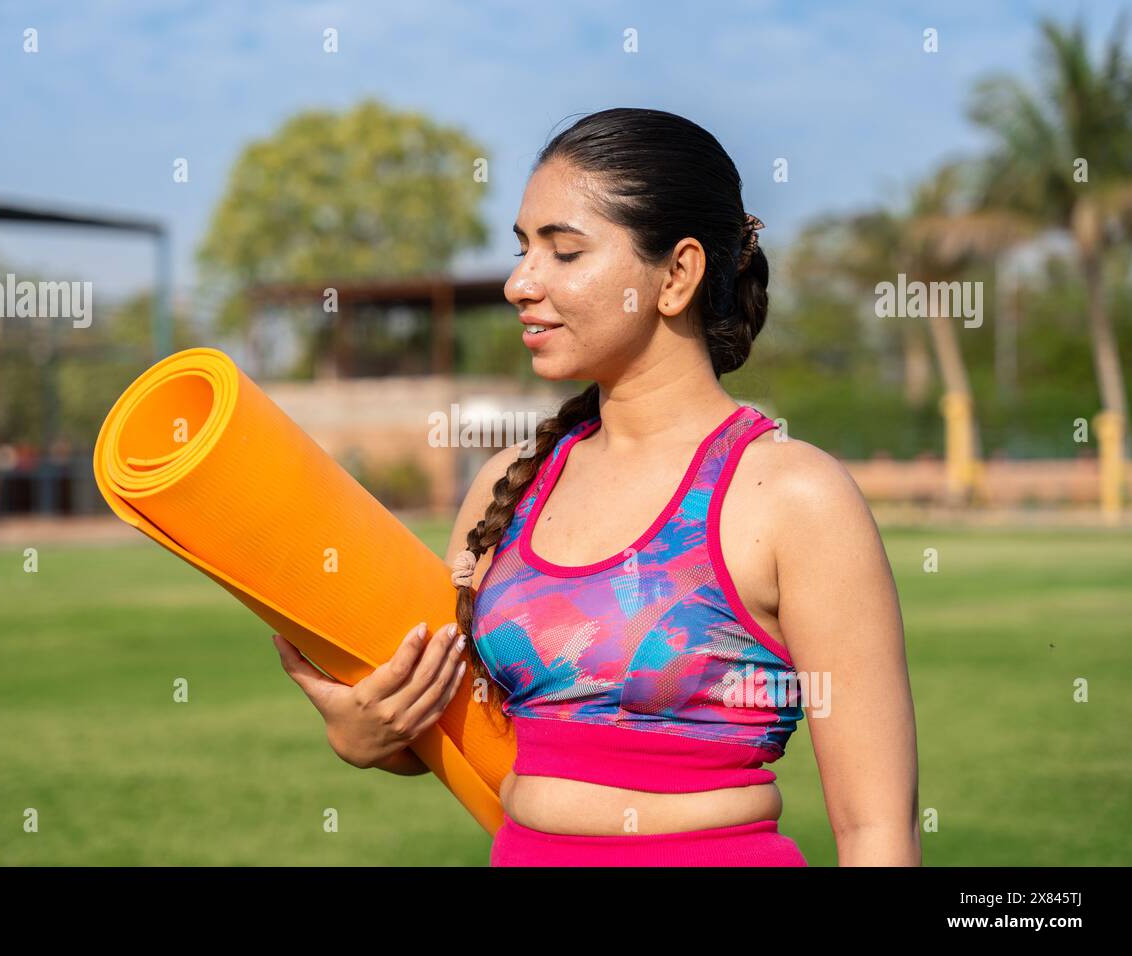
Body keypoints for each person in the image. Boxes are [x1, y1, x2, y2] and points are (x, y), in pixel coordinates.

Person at [272, 107, 919, 866]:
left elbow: (876, 830)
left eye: (565, 252)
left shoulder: (791, 494)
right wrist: (367, 735)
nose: (520, 283)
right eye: (522, 250)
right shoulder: (507, 487)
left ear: (676, 275)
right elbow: (455, 729)